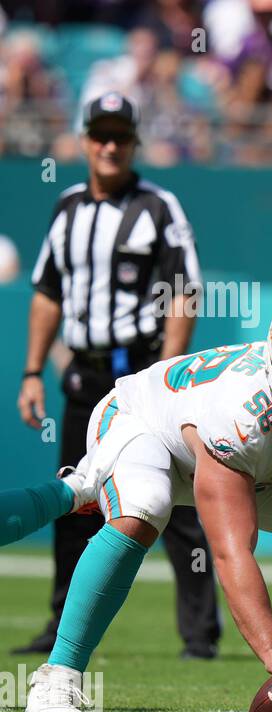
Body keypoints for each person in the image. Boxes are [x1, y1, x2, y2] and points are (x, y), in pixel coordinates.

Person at [8, 290, 272, 712]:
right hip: (145, 424)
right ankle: (59, 674)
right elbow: (231, 551)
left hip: (255, 458)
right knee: (145, 507)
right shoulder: (238, 412)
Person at [16, 92, 221, 660]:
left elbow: (184, 292)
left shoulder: (158, 207)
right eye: (100, 136)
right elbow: (47, 294)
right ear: (85, 141)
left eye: (121, 137)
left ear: (134, 143)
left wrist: (168, 375)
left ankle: (199, 633)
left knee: (174, 500)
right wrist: (33, 370)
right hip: (83, 375)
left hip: (141, 374)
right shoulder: (67, 209)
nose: (110, 146)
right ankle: (61, 623)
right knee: (72, 498)